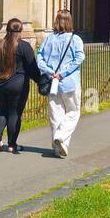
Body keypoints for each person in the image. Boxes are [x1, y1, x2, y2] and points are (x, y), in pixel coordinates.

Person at [0, 18, 39, 154]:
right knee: (14, 113)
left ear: (7, 30)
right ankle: (12, 145)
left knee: (2, 110)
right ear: (20, 31)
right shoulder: (24, 46)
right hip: (18, 85)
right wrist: (40, 81)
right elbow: (32, 68)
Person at [37, 9, 84, 158]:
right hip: (68, 82)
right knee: (73, 111)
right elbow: (79, 58)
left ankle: (59, 148)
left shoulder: (48, 39)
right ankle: (61, 137)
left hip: (52, 82)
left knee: (55, 114)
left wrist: (49, 72)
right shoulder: (75, 39)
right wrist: (63, 73)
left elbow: (39, 57)